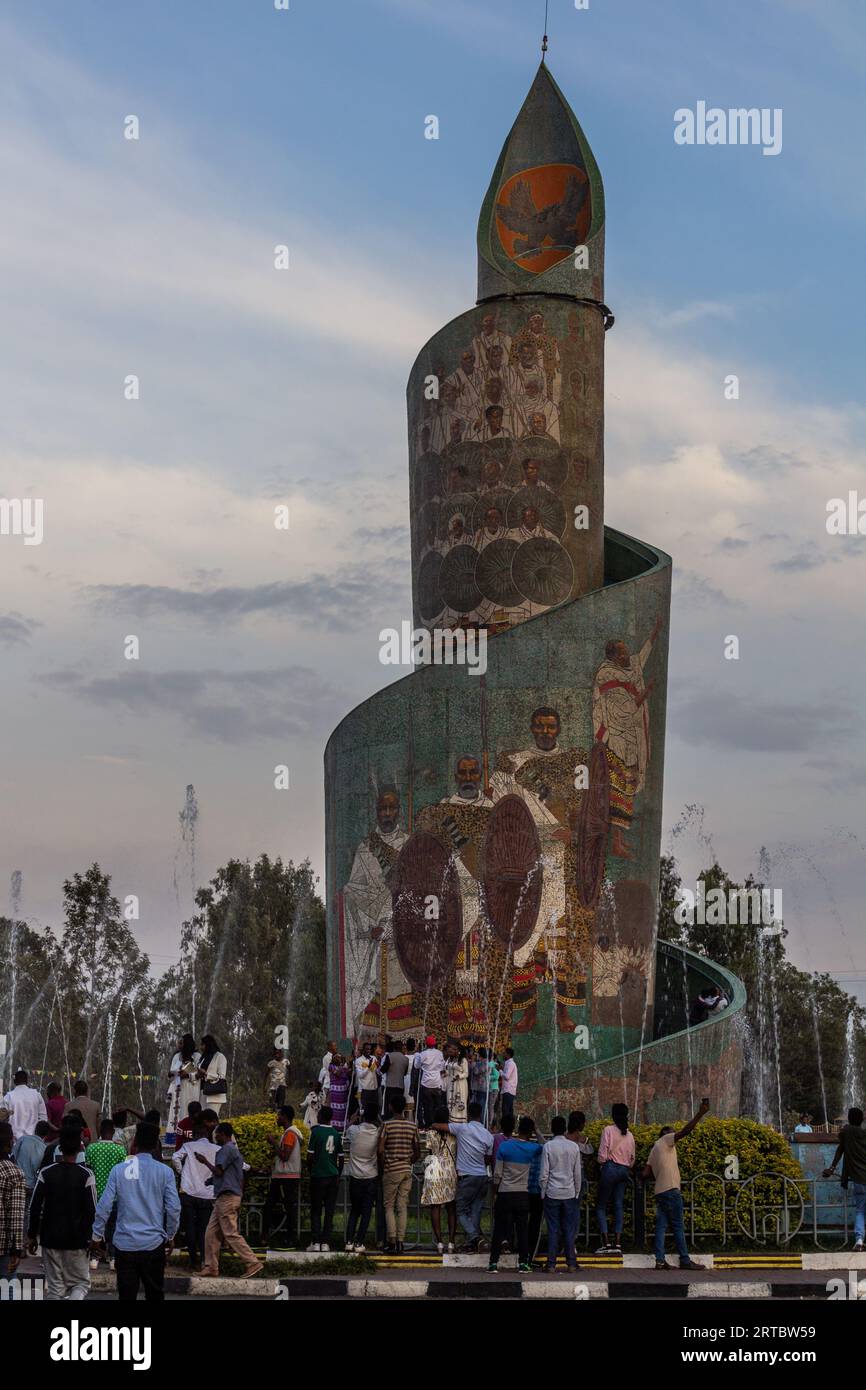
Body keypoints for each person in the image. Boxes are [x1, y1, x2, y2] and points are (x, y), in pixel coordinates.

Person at [91, 1121, 181, 1300]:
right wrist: (170, 1235)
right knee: (155, 1294)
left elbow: (104, 1206)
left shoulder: (119, 1170)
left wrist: (96, 1236)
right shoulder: (165, 1172)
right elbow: (173, 1208)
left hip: (125, 1245)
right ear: (156, 1145)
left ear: (135, 1144)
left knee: (126, 1295)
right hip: (154, 1243)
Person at [27, 1127, 97, 1300]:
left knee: (55, 1288)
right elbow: (92, 1211)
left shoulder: (46, 1173)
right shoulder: (86, 1175)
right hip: (77, 1240)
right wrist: (93, 1238)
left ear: (60, 1148)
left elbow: (34, 1207)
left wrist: (31, 1235)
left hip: (50, 1238)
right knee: (80, 1284)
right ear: (80, 1149)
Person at [643, 1101, 708, 1270]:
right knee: (678, 1225)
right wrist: (700, 1114)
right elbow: (686, 1131)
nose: (675, 1134)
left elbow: (645, 1173)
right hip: (671, 1190)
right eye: (672, 1132)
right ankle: (685, 1260)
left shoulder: (654, 1149)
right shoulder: (665, 1140)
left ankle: (659, 1260)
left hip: (660, 1192)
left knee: (661, 1226)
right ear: (665, 1134)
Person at [195, 1121, 263, 1278]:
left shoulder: (225, 1150)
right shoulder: (234, 1150)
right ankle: (211, 1267)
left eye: (217, 1134)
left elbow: (219, 1171)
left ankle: (252, 1262)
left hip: (226, 1197)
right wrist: (211, 1181)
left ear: (223, 1134)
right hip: (226, 1197)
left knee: (230, 1233)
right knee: (210, 1234)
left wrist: (204, 1161)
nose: (215, 1136)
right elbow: (229, 1174)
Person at [431, 1100, 493, 1252]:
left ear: (468, 1114)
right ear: (480, 1115)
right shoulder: (488, 1135)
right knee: (475, 1211)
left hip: (467, 1177)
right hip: (483, 1177)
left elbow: (438, 1126)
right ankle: (473, 1242)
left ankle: (476, 1237)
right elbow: (488, 1159)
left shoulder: (462, 1128)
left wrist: (434, 1124)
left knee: (460, 1210)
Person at [488, 1116, 542, 1273]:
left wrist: (495, 1192)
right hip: (522, 1194)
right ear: (530, 1132)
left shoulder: (504, 1146)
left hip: (505, 1193)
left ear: (518, 1128)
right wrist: (537, 1129)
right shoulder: (532, 1149)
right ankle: (523, 1263)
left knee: (499, 1229)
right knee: (522, 1230)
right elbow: (545, 1145)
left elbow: (497, 1174)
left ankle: (493, 1263)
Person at [172, 1118, 219, 1269]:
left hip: (189, 1191)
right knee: (204, 1227)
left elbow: (175, 1157)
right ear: (207, 1133)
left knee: (190, 1226)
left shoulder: (188, 1145)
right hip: (207, 1194)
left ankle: (194, 1259)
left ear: (194, 1134)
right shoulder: (216, 1148)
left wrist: (182, 1172)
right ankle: (205, 1259)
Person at [378, 1093, 419, 1254]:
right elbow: (417, 1152)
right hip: (406, 1171)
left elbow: (380, 1149)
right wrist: (409, 1161)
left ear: (391, 1107)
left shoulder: (387, 1126)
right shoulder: (412, 1126)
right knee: (402, 1206)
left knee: (389, 1206)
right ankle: (401, 1241)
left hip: (390, 1170)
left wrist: (384, 1165)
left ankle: (392, 1241)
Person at [540, 1115, 582, 1272]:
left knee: (553, 1229)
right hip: (569, 1193)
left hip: (552, 1193)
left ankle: (551, 1264)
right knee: (569, 1229)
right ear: (565, 1129)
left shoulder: (548, 1147)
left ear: (552, 1129)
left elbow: (544, 1174)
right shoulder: (573, 1147)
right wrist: (576, 1192)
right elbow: (577, 1173)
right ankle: (571, 1263)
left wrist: (543, 1192)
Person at [84, 1120, 127, 1269]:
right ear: (113, 1133)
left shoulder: (91, 1148)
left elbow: (88, 1171)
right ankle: (113, 1258)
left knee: (96, 1227)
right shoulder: (120, 1150)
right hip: (115, 1196)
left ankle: (94, 1258)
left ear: (100, 1132)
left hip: (95, 1195)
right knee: (113, 1227)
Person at [823, 1106, 866, 1252]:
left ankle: (859, 1240)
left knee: (860, 1210)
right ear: (862, 1119)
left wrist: (832, 1168)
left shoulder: (846, 1132)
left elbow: (840, 1150)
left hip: (858, 1179)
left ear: (849, 1119)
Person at [261, 1105, 303, 1250]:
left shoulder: (290, 1134)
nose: (277, 1118)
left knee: (287, 1208)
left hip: (287, 1177)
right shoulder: (288, 1133)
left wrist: (273, 1142)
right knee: (273, 1206)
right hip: (282, 1175)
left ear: (285, 1117)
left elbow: (285, 1156)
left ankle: (290, 1239)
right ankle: (267, 1237)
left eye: (279, 1116)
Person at [595, 1102, 635, 1254]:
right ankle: (618, 1243)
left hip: (610, 1169)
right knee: (618, 1205)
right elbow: (632, 1159)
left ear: (613, 1115)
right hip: (624, 1171)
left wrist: (601, 1163)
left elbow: (602, 1154)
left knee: (601, 1206)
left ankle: (606, 1243)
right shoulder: (630, 1135)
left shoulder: (608, 1130)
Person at [422, 1105, 457, 1254]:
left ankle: (440, 1243)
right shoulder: (454, 1134)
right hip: (450, 1171)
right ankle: (451, 1242)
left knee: (435, 1207)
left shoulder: (430, 1133)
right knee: (451, 1208)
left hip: (434, 1171)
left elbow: (430, 1151)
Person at [307, 1104, 343, 1252]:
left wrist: (311, 1170)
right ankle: (325, 1242)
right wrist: (338, 1175)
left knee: (316, 1210)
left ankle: (315, 1242)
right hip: (332, 1176)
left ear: (321, 1116)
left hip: (318, 1175)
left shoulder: (315, 1132)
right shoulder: (336, 1133)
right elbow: (341, 1158)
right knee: (329, 1210)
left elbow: (310, 1156)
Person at [344, 1108, 380, 1254]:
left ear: (362, 1117)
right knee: (366, 1212)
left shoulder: (354, 1130)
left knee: (354, 1211)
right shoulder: (378, 1133)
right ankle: (359, 1242)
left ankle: (348, 1241)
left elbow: (347, 1129)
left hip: (355, 1177)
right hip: (371, 1176)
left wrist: (353, 1119)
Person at [0, 1121, 26, 1281]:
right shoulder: (14, 1172)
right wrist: (16, 1250)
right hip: (3, 1246)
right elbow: (16, 1216)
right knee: (9, 1287)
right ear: (10, 1143)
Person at [567, 1110, 594, 1245]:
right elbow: (589, 1155)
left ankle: (564, 1238)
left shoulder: (564, 1138)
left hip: (565, 1175)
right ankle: (573, 1238)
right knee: (575, 1208)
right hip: (580, 1175)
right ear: (581, 1124)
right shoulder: (584, 1140)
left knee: (565, 1208)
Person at [167, 1034, 201, 1132]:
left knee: (188, 1109)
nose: (179, 1045)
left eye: (182, 1043)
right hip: (178, 1088)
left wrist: (186, 1074)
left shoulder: (197, 1056)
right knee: (177, 1111)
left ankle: (189, 1132)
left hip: (191, 1087)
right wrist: (172, 1073)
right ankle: (175, 1133)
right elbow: (171, 1071)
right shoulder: (177, 1056)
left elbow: (199, 1073)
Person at [13, 1120, 53, 1201]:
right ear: (47, 1134)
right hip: (31, 1187)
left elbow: (13, 1156)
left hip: (16, 1183)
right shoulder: (45, 1149)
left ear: (35, 1129)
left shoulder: (23, 1139)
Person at [3, 1069, 48, 1140]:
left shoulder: (8, 1097)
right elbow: (43, 1118)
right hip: (34, 1139)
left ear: (14, 1081)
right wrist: (39, 1137)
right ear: (27, 1081)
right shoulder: (36, 1095)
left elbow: (3, 1118)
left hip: (14, 1139)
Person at [416, 1035, 446, 1129]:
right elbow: (442, 1067)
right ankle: (437, 1126)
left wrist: (418, 1057)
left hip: (426, 1083)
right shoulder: (439, 1053)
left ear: (426, 1044)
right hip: (437, 1083)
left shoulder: (423, 1054)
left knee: (427, 1106)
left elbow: (417, 1066)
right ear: (434, 1044)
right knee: (437, 1106)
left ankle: (428, 1126)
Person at [380, 1040, 410, 1122]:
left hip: (391, 1085)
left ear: (394, 1047)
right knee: (398, 1107)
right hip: (400, 1086)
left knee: (389, 1107)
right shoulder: (405, 1059)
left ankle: (388, 1123)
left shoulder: (390, 1056)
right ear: (401, 1048)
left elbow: (383, 1070)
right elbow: (405, 1073)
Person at [197, 1035, 228, 1114]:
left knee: (211, 1119)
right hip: (202, 1092)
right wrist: (197, 1074)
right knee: (203, 1120)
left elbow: (222, 1076)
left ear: (208, 1044)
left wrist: (206, 1074)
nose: (201, 1047)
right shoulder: (203, 1058)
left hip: (214, 1095)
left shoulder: (220, 1057)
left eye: (202, 1044)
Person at [445, 1045, 469, 1123]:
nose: (452, 1051)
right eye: (452, 1049)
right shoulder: (449, 1059)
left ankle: (460, 1119)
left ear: (459, 1051)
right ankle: (451, 1119)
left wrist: (459, 1076)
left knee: (459, 1100)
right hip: (451, 1083)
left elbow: (466, 1073)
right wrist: (445, 1073)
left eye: (454, 1049)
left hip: (460, 1084)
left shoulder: (463, 1060)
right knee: (450, 1100)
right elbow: (448, 1070)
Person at [327, 1054, 351, 1131]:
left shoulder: (344, 1067)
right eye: (336, 1057)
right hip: (335, 1092)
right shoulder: (331, 1066)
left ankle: (341, 1128)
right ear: (333, 1059)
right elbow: (337, 1073)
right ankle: (334, 1127)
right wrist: (343, 1066)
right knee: (334, 1110)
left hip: (343, 1093)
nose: (338, 1059)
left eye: (340, 1057)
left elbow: (349, 1073)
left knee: (342, 1110)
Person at [499, 1048, 518, 1123]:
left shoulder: (510, 1063)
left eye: (504, 1053)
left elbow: (507, 1076)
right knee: (508, 1110)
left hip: (508, 1090)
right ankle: (509, 1127)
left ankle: (506, 1127)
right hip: (508, 1090)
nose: (503, 1055)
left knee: (506, 1110)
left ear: (508, 1054)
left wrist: (500, 1070)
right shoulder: (508, 1063)